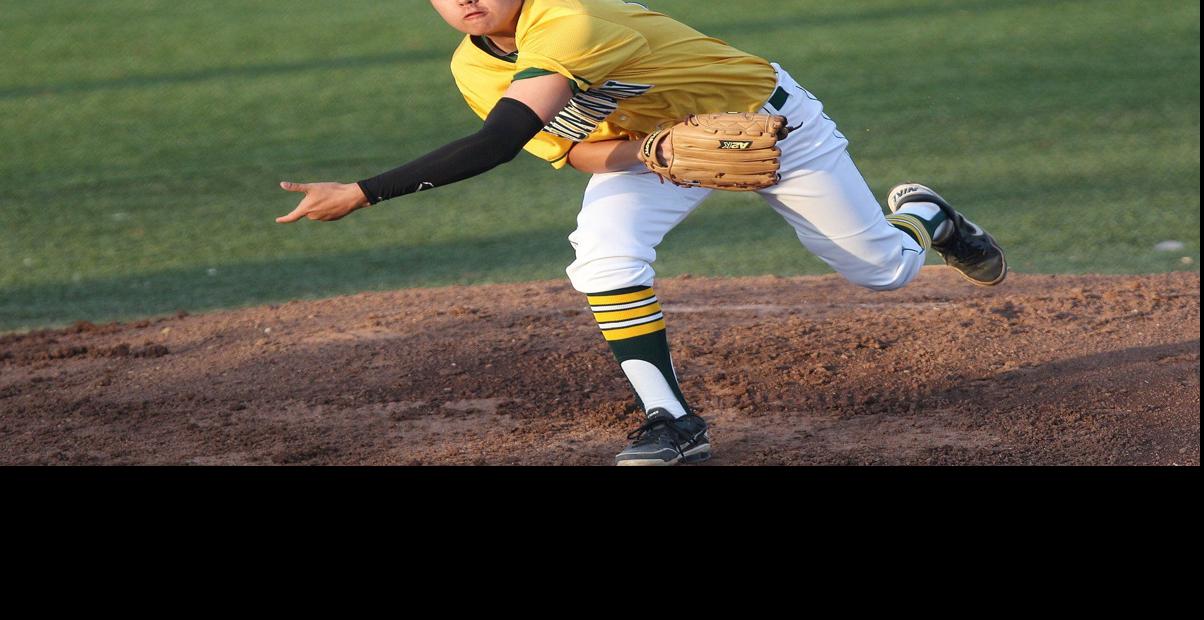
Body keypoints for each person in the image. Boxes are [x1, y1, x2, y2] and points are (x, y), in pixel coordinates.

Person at [276, 0, 1006, 465]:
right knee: (602, 256)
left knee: (883, 269)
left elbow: (497, 145)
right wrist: (657, 152)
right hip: (648, 150)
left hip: (772, 126)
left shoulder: (571, 20)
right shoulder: (472, 67)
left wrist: (363, 192)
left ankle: (928, 217)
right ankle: (673, 420)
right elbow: (572, 152)